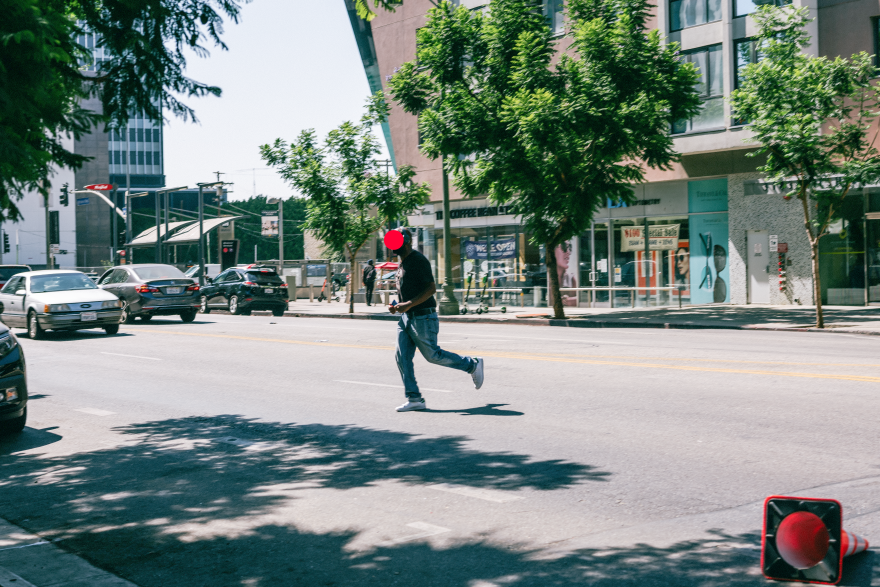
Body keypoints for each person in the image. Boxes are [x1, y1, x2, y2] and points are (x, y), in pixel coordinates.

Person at [388, 228, 484, 412]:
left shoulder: (418, 260)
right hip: (406, 318)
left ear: (406, 242)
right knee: (401, 356)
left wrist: (407, 304)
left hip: (423, 316)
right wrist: (397, 306)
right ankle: (414, 398)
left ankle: (472, 364)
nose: (392, 246)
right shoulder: (402, 264)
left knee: (433, 355)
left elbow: (431, 288)